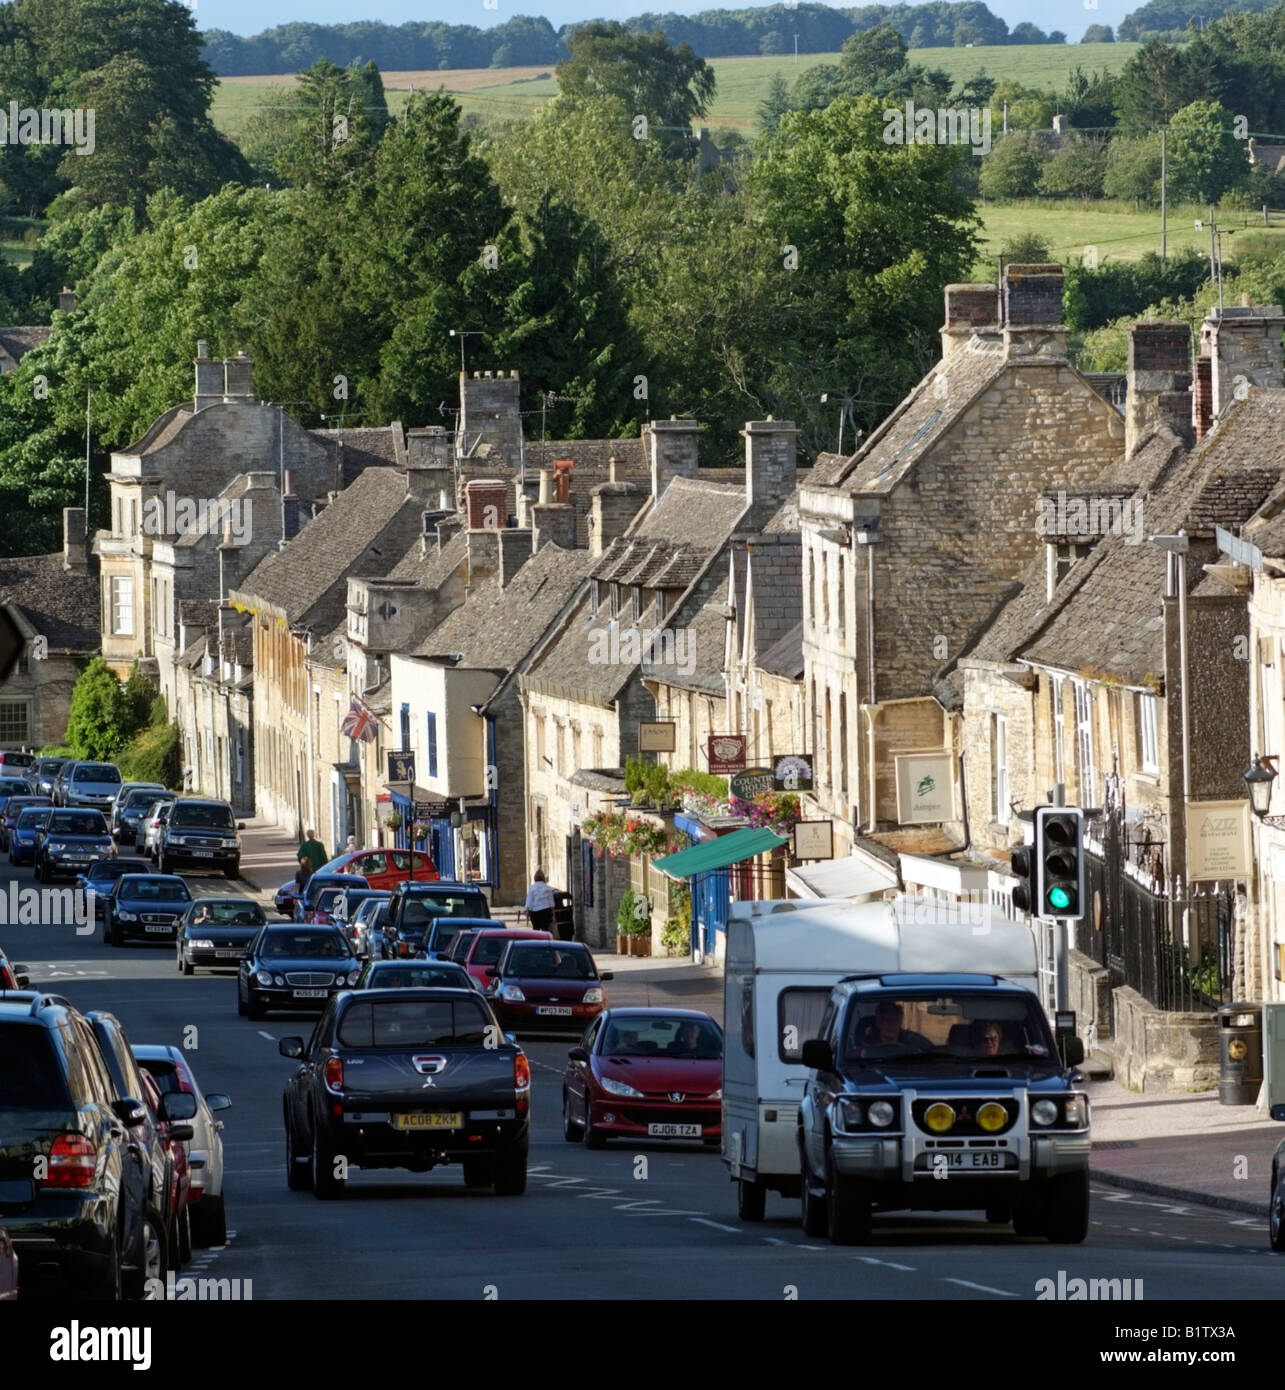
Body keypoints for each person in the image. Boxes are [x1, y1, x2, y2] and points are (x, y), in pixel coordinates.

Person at [525, 868, 555, 932]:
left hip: (535, 912)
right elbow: (551, 902)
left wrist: (527, 911)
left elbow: (529, 900)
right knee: (545, 929)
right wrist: (553, 914)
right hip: (546, 911)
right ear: (543, 878)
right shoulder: (548, 888)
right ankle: (545, 940)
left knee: (536, 929)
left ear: (535, 878)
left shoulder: (532, 888)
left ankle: (537, 941)